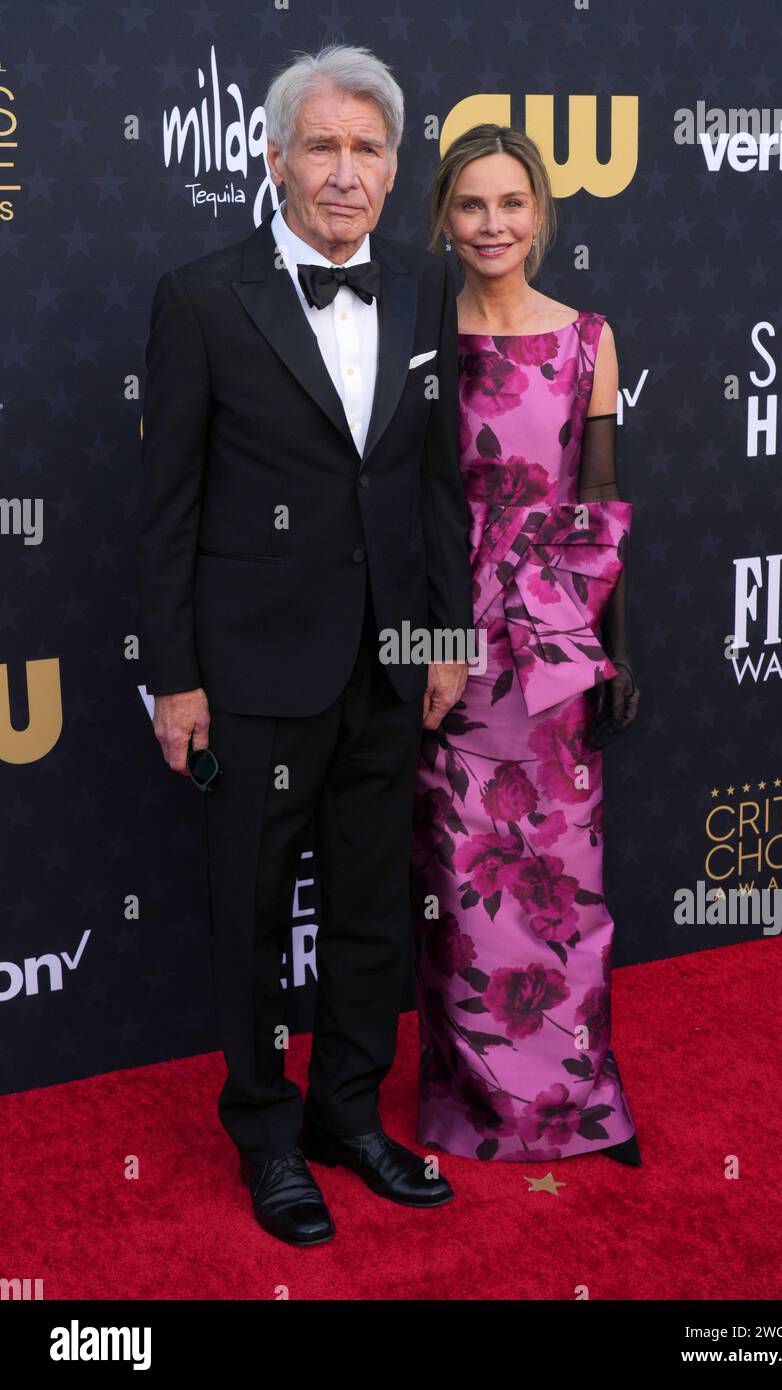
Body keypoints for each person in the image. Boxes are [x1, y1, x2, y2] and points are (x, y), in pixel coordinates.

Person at [136, 44, 475, 1246]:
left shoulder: (428, 288)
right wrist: (173, 677)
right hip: (250, 678)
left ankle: (347, 1115)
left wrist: (442, 636)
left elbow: (433, 478)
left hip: (390, 663)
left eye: (367, 149)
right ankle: (265, 1136)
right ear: (273, 158)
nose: (344, 172)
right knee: (248, 909)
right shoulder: (199, 297)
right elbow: (166, 504)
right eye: (320, 147)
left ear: (395, 166)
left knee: (374, 912)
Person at [410, 125, 642, 1165]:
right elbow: (401, 501)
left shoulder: (587, 336)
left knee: (563, 875)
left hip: (552, 645)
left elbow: (597, 506)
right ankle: (475, 1108)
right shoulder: (417, 331)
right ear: (442, 218)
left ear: (540, 214)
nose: (491, 224)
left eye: (510, 204)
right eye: (470, 205)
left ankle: (576, 1095)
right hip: (446, 641)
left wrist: (615, 649)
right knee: (463, 878)